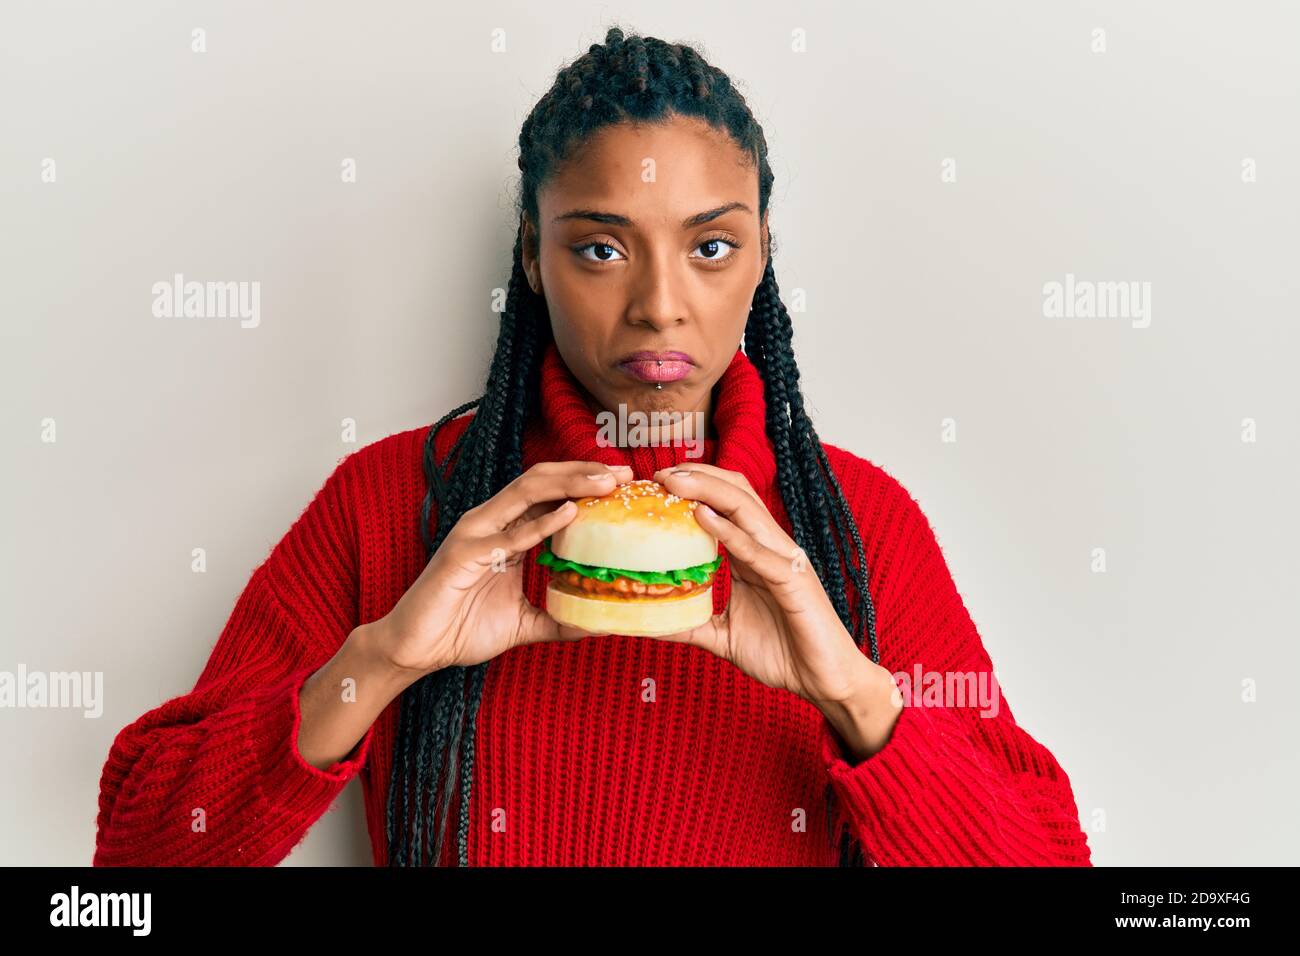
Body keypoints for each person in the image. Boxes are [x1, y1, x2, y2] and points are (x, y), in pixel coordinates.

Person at [93, 25, 1092, 868]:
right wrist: (387, 655)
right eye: (600, 248)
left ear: (762, 252)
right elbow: (135, 853)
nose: (659, 305)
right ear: (531, 253)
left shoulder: (856, 522)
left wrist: (853, 694)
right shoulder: (391, 498)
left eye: (710, 246)